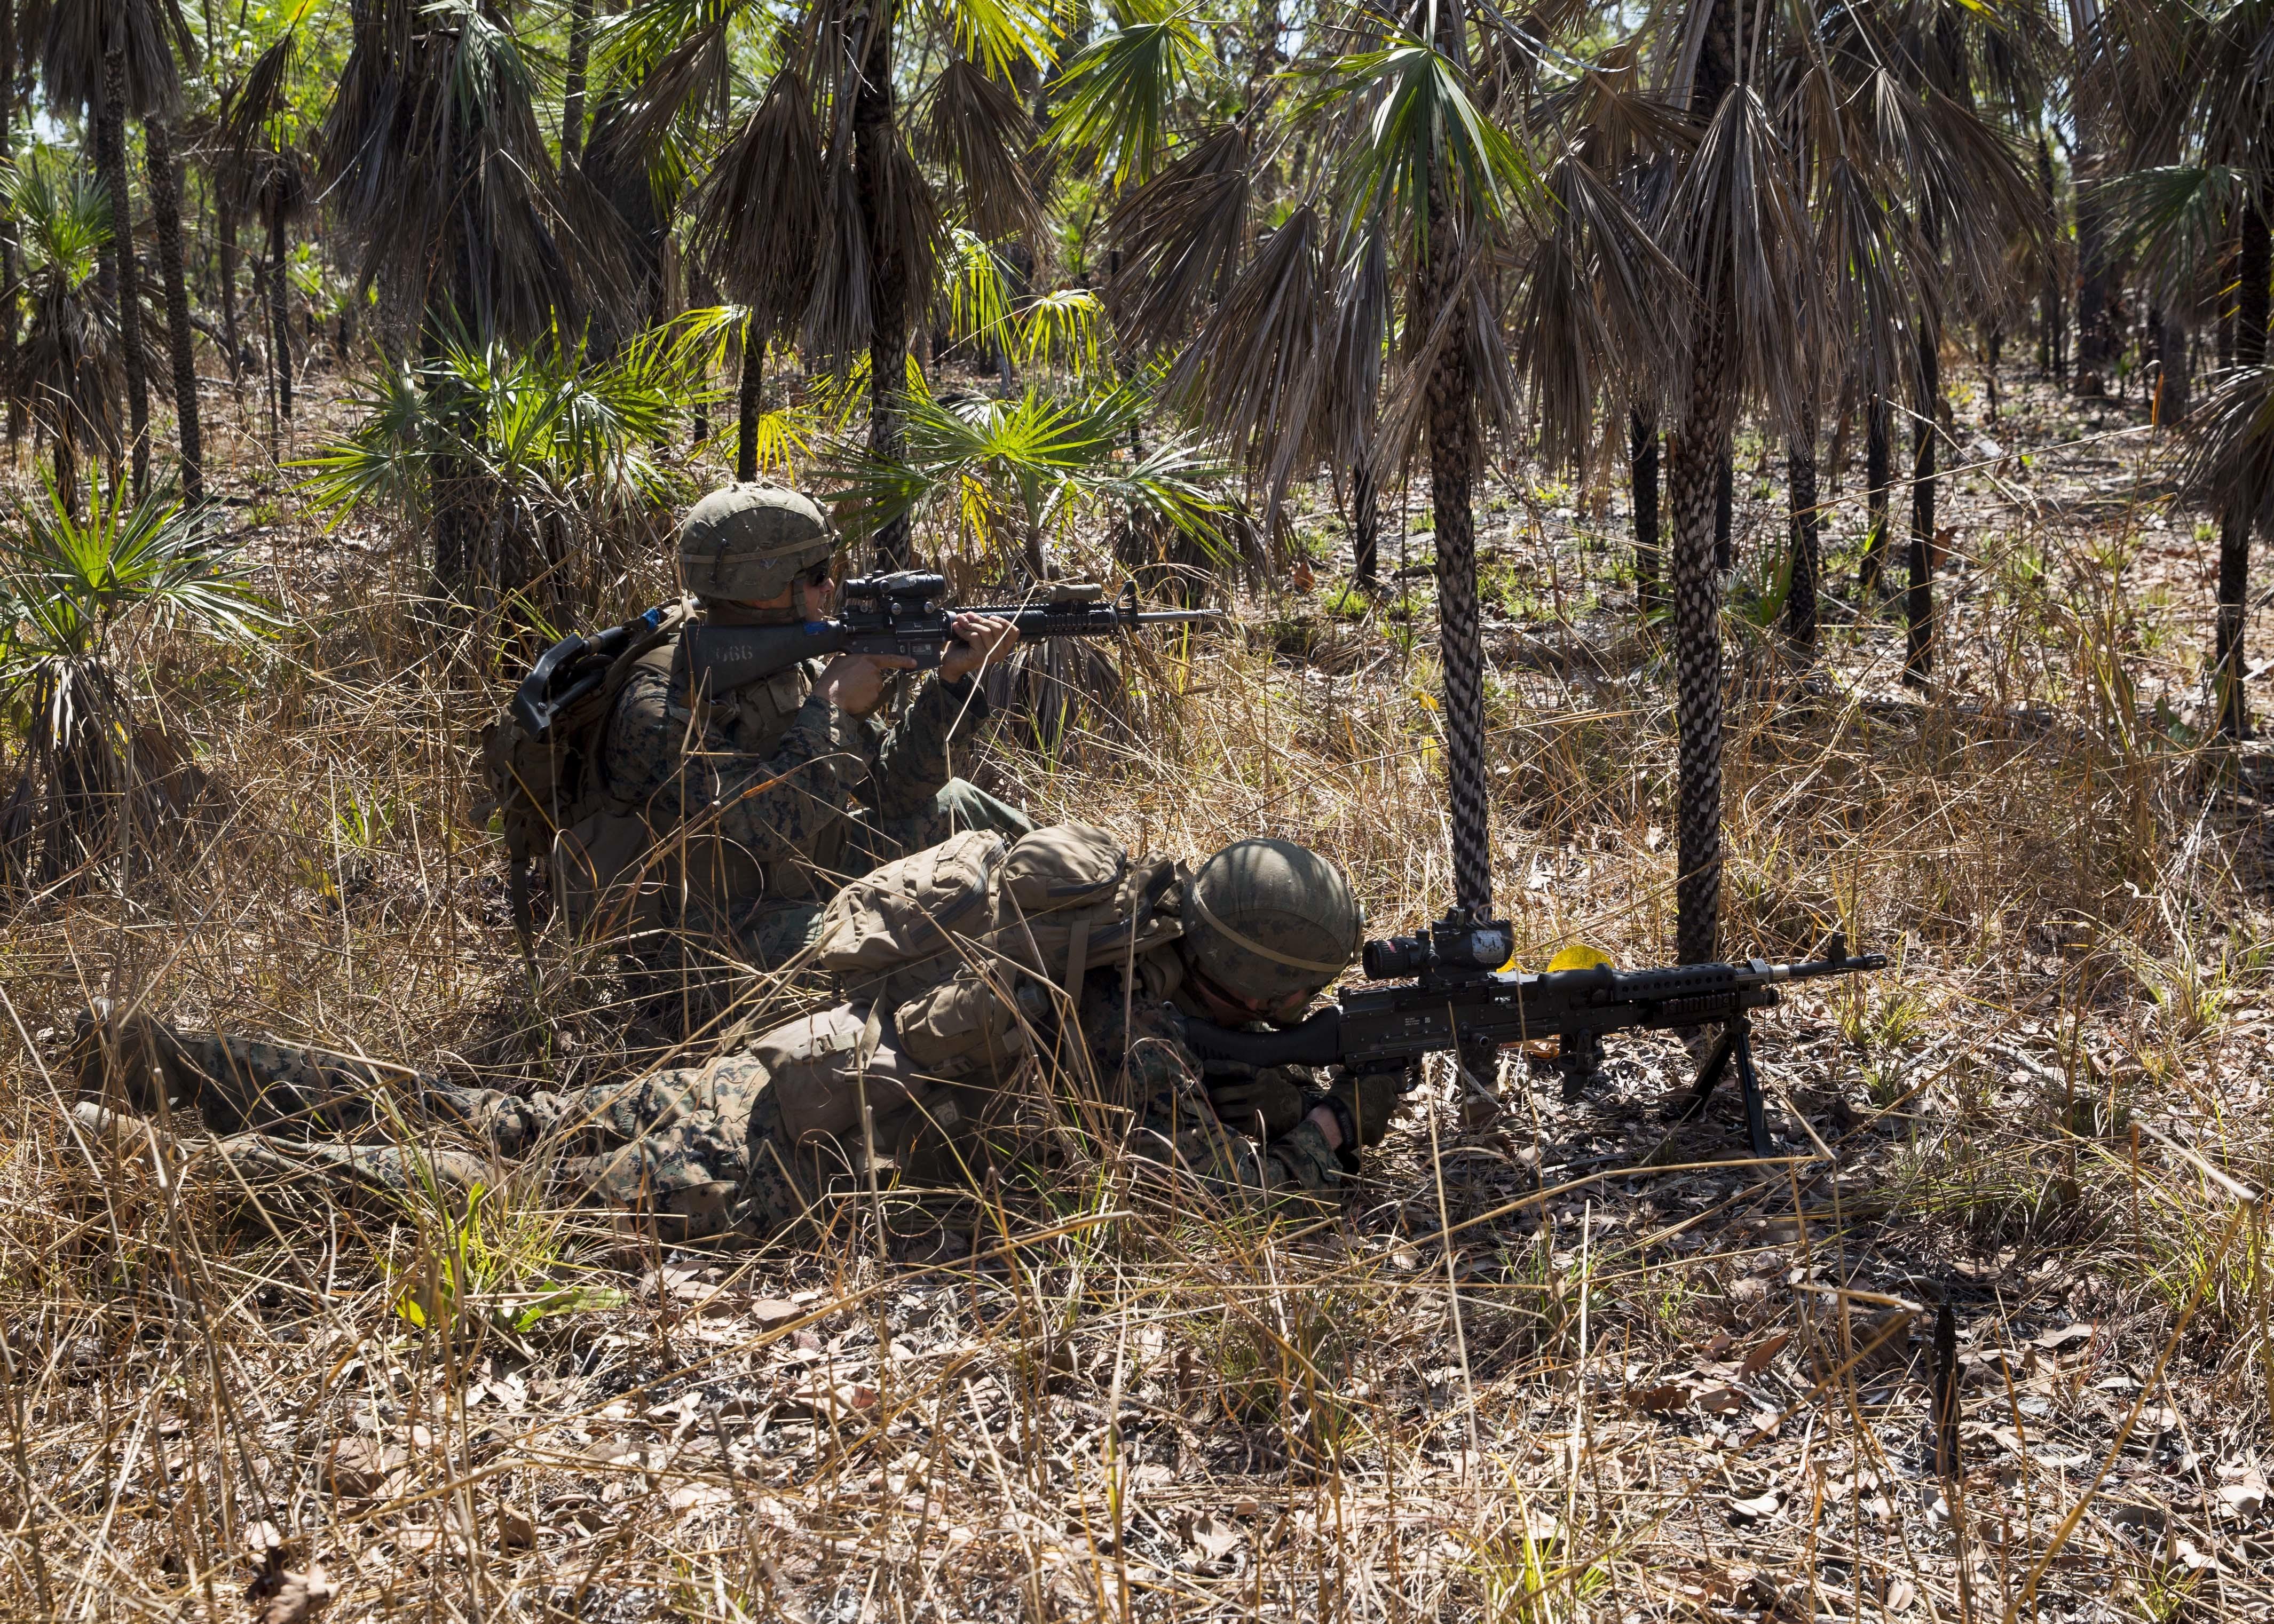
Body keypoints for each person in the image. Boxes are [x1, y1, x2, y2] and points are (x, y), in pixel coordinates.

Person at [69, 835, 1408, 1242]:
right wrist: (1331, 1125)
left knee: (495, 1116)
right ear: (1253, 982)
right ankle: (152, 1162)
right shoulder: (1141, 1044)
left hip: (779, 1063)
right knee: (493, 1193)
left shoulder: (1111, 928)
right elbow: (1233, 1210)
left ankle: (142, 1049)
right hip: (769, 1160)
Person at [592, 482, 1030, 972]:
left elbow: (892, 791)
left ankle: (1079, 889)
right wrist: (833, 708)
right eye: (817, 576)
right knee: (908, 945)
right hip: (709, 929)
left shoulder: (789, 659)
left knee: (959, 804)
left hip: (799, 874)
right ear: (763, 587)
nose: (830, 587)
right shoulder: (658, 704)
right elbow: (762, 827)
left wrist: (951, 683)